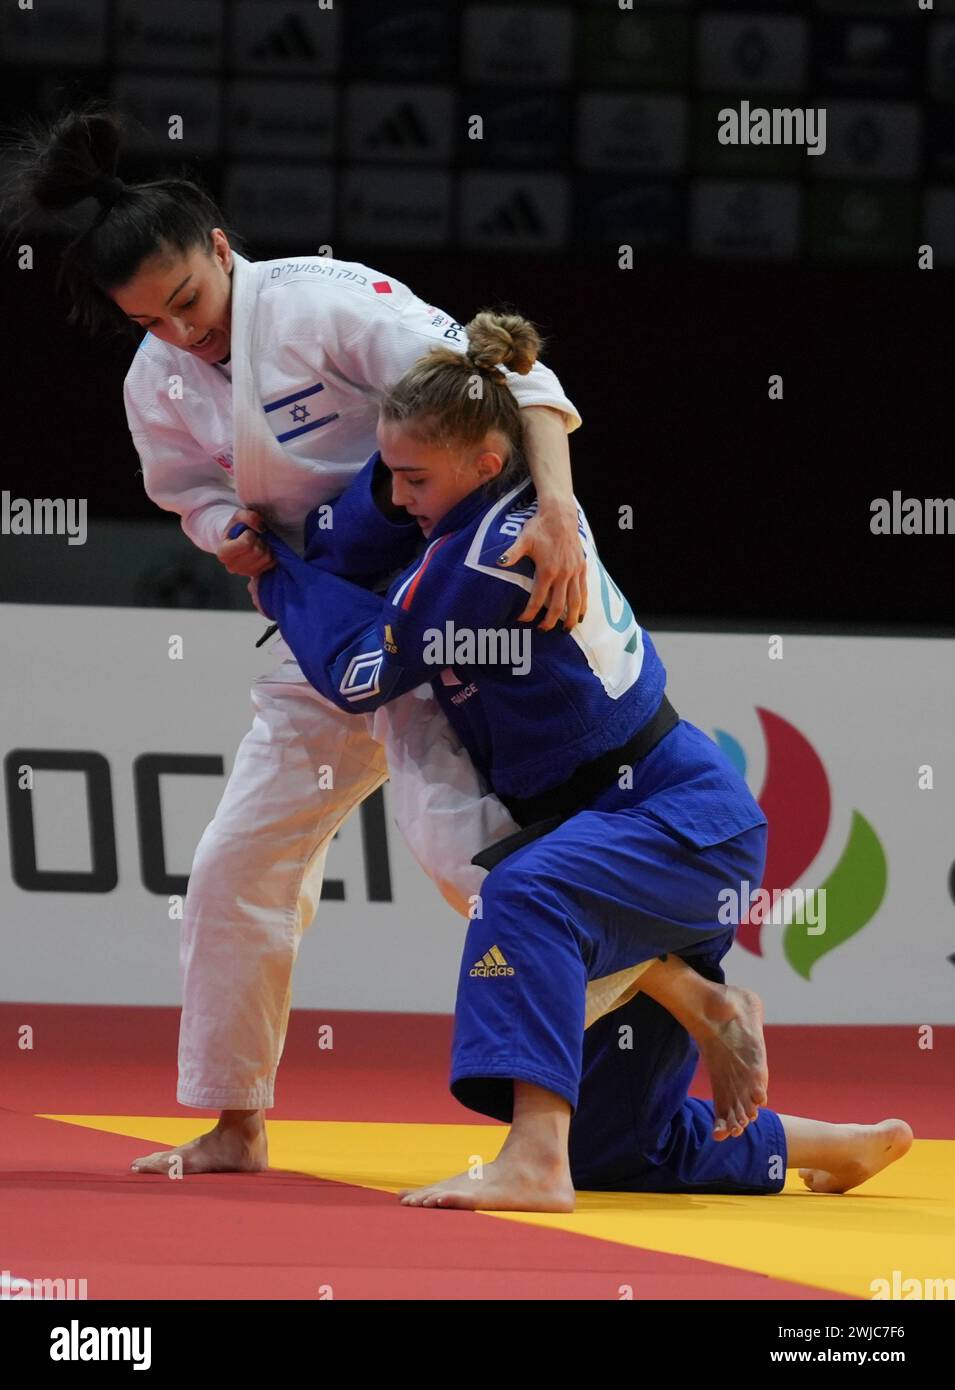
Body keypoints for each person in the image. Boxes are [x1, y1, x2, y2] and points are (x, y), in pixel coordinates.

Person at [3, 102, 588, 1176]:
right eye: (152, 321)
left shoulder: (325, 303)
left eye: (189, 299)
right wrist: (223, 527)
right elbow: (190, 492)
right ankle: (235, 1119)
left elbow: (507, 383)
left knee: (467, 859)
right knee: (235, 864)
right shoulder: (155, 382)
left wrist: (554, 510)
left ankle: (680, 1006)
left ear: (223, 249)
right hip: (325, 629)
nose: (183, 332)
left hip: (452, 603)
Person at [243, 309, 914, 1211]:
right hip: (624, 831)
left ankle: (533, 1160)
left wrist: (270, 577)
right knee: (616, 1143)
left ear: (484, 463)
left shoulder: (491, 557)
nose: (396, 498)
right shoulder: (518, 504)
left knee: (521, 892)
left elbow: (360, 672)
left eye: (411, 478)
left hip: (674, 824)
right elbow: (514, 403)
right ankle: (817, 1144)